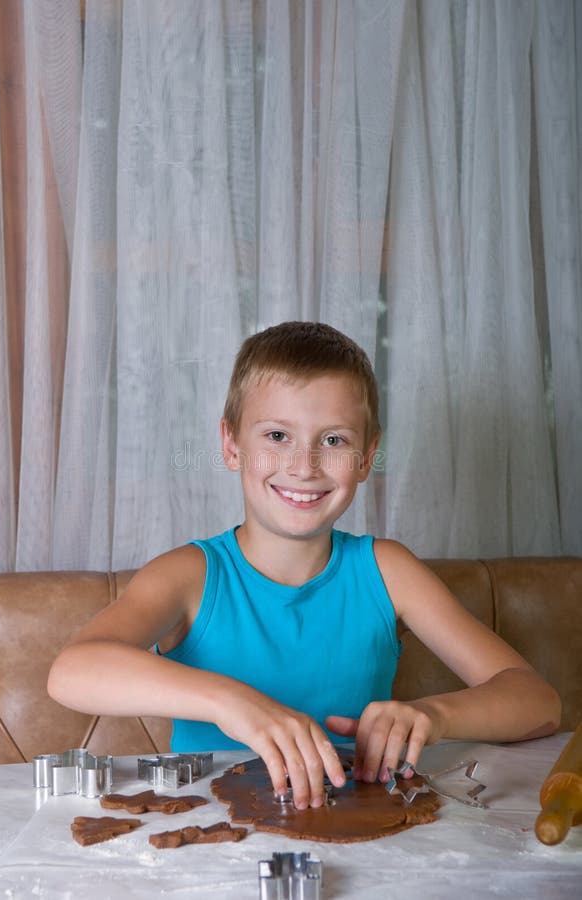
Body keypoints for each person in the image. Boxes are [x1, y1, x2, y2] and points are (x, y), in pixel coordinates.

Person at [48, 321, 561, 810]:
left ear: (366, 458)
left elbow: (537, 702)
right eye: (277, 436)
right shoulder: (189, 574)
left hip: (356, 823)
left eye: (333, 440)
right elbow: (72, 671)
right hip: (206, 826)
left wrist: (434, 714)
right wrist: (234, 703)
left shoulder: (387, 570)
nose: (304, 465)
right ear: (231, 444)